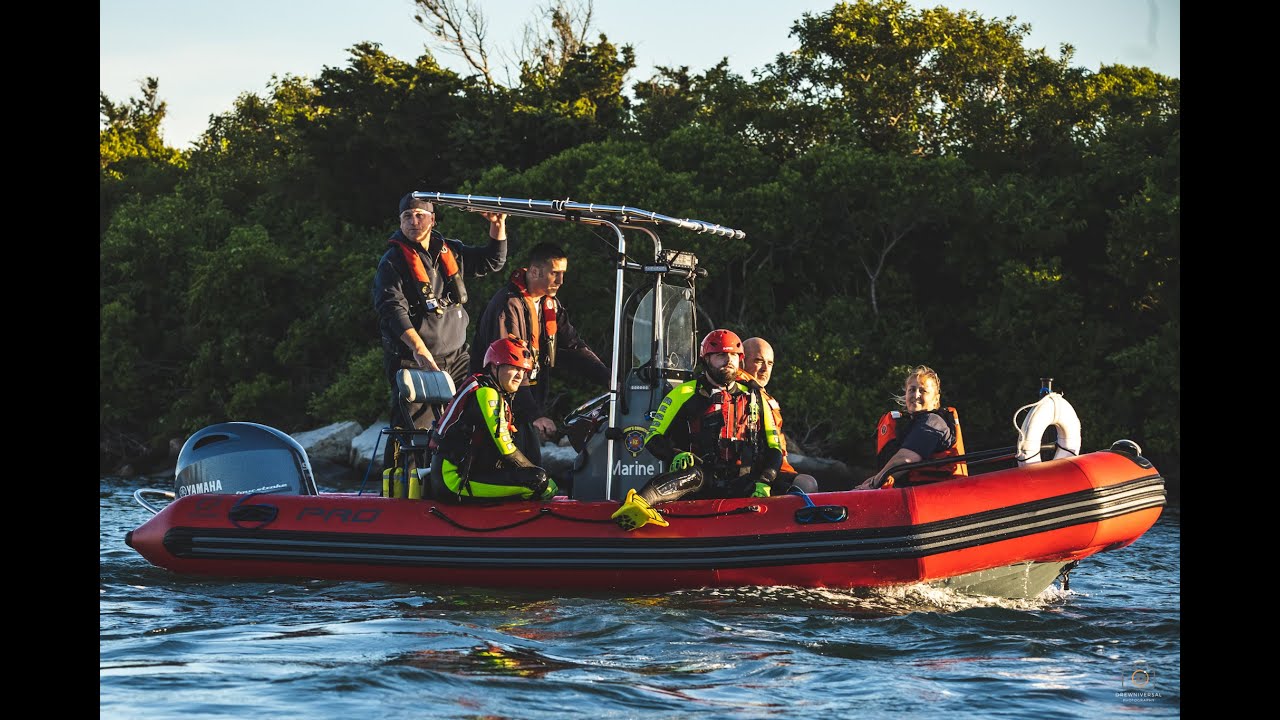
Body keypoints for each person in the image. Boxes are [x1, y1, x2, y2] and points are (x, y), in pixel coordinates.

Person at [611, 329, 812, 531]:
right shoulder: (683, 393)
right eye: (721, 356)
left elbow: (774, 448)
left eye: (733, 355)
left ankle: (795, 528)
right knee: (689, 475)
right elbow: (653, 437)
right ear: (706, 359)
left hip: (744, 478)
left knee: (806, 483)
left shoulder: (756, 397)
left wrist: (764, 481)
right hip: (703, 476)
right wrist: (674, 456)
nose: (728, 360)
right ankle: (637, 506)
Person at [373, 192, 508, 476]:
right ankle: (399, 492)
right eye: (407, 216)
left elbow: (490, 262)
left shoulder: (450, 249)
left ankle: (456, 484)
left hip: (457, 358)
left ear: (433, 219)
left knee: (465, 422)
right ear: (400, 221)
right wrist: (419, 351)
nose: (413, 221)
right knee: (412, 429)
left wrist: (497, 227)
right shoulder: (392, 262)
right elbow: (392, 309)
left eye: (420, 215)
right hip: (415, 361)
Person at [470, 242, 611, 469]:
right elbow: (509, 366)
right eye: (555, 273)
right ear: (534, 271)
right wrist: (534, 414)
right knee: (518, 470)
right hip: (497, 409)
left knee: (532, 465)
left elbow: (573, 347)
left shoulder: (549, 305)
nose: (560, 281)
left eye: (563, 273)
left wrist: (610, 379)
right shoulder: (508, 305)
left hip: (526, 405)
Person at [429, 336, 558, 502]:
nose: (520, 375)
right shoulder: (487, 393)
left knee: (532, 476)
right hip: (453, 481)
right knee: (536, 480)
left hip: (467, 474)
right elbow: (507, 450)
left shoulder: (491, 390)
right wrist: (543, 479)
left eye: (523, 370)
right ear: (494, 366)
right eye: (513, 367)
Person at [856, 365, 967, 489]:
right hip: (908, 492)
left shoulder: (932, 422)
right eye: (912, 390)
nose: (916, 395)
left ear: (936, 399)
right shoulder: (911, 425)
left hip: (933, 496)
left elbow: (906, 459)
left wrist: (873, 484)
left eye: (923, 391)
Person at [741, 337, 820, 494]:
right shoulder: (739, 394)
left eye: (770, 363)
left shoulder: (763, 397)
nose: (765, 369)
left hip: (774, 469)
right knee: (807, 484)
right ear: (741, 362)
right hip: (750, 473)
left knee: (806, 483)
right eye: (758, 361)